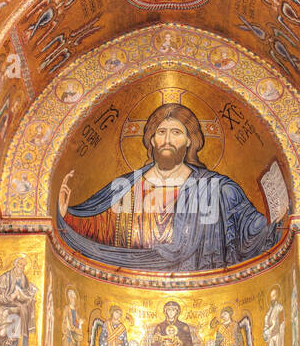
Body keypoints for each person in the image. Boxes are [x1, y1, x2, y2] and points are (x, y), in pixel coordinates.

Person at [57, 102, 284, 272]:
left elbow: (252, 232)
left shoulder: (218, 189)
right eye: (161, 132)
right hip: (131, 285)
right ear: (152, 140)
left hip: (205, 292)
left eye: (176, 132)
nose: (167, 139)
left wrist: (278, 219)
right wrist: (66, 213)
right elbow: (97, 227)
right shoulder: (126, 187)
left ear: (189, 141)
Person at [0, 257, 37, 346]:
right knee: (3, 334)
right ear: (15, 264)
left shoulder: (24, 279)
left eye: (23, 266)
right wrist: (12, 296)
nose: (22, 268)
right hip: (7, 309)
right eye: (20, 265)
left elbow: (26, 293)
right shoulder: (4, 277)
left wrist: (30, 298)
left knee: (21, 334)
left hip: (20, 310)